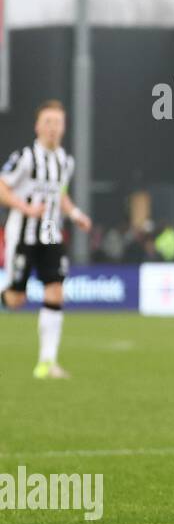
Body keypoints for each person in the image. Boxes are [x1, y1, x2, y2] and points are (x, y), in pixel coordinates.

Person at [0, 100, 93, 378]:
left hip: (51, 234)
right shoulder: (25, 157)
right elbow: (1, 186)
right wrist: (26, 207)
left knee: (56, 291)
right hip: (23, 235)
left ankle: (47, 363)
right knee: (16, 298)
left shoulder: (65, 161)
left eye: (58, 123)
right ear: (37, 126)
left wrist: (75, 213)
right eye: (48, 122)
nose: (53, 128)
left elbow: (60, 195)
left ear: (64, 128)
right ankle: (10, 295)